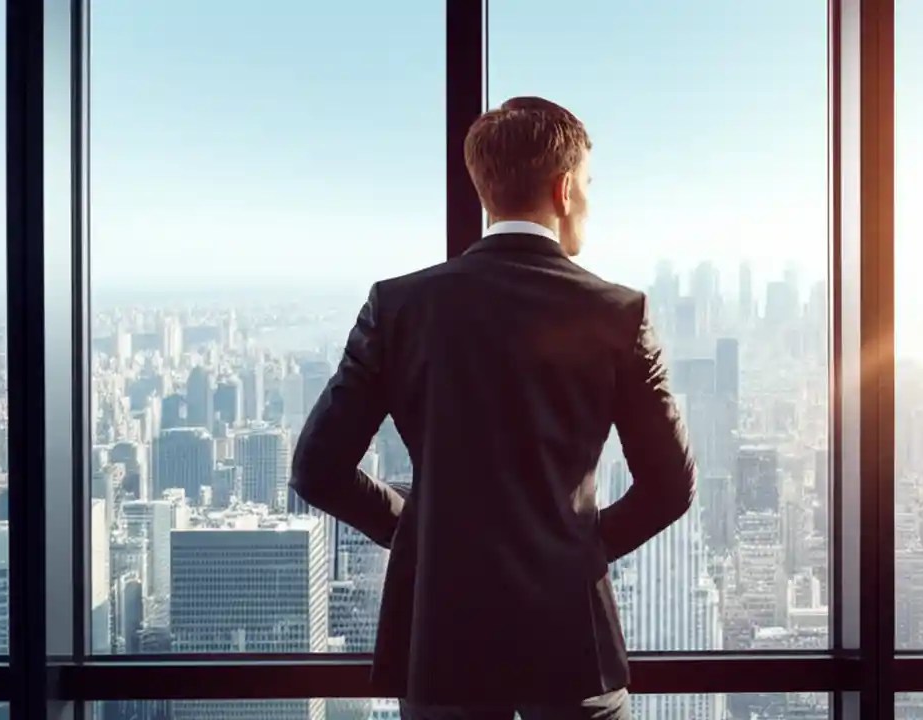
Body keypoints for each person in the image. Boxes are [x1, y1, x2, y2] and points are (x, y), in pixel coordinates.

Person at [290, 96, 697, 719]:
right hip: (571, 643)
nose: (589, 199)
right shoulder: (618, 313)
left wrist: (415, 529)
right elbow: (670, 487)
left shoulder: (399, 308)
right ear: (564, 190)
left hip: (443, 639)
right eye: (588, 184)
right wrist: (573, 547)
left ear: (487, 191)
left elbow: (317, 469)